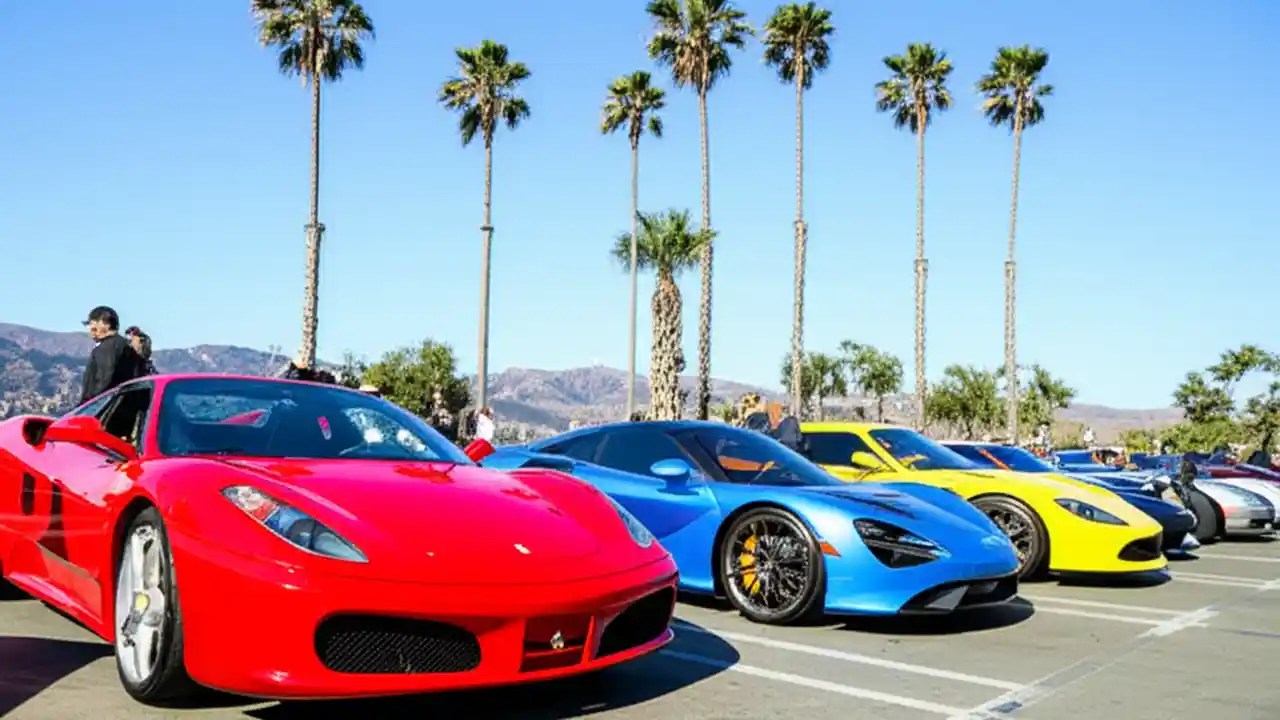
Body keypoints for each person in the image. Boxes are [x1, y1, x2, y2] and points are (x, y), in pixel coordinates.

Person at [80, 306, 145, 404]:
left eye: (91, 323)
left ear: (104, 323)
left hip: (104, 409)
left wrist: (89, 406)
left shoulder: (108, 347)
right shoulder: (125, 346)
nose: (89, 329)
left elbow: (104, 381)